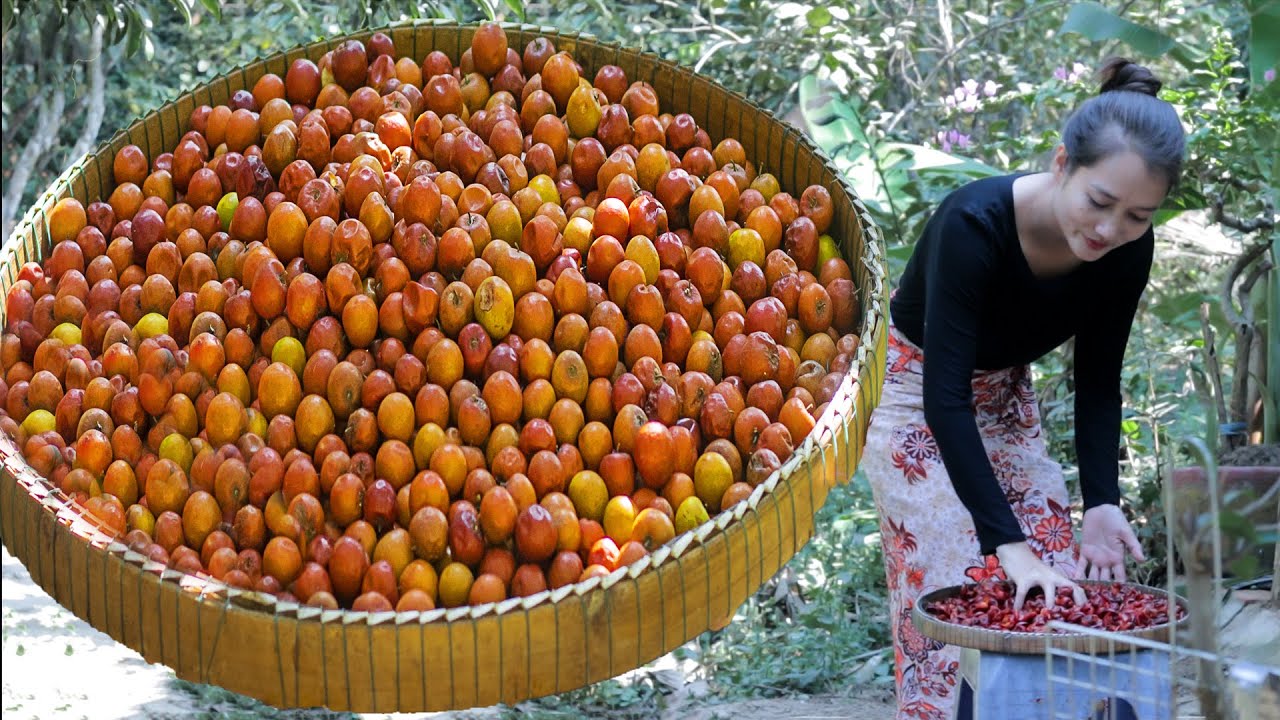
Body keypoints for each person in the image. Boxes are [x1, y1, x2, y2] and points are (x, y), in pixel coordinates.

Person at [861, 57, 1186, 719]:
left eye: (1137, 215)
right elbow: (944, 398)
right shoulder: (972, 225)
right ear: (1062, 163)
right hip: (914, 393)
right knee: (957, 592)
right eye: (1099, 202)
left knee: (1050, 580)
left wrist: (1103, 502)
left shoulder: (1128, 248)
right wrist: (1003, 545)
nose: (1110, 230)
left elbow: (1098, 382)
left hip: (1004, 397)